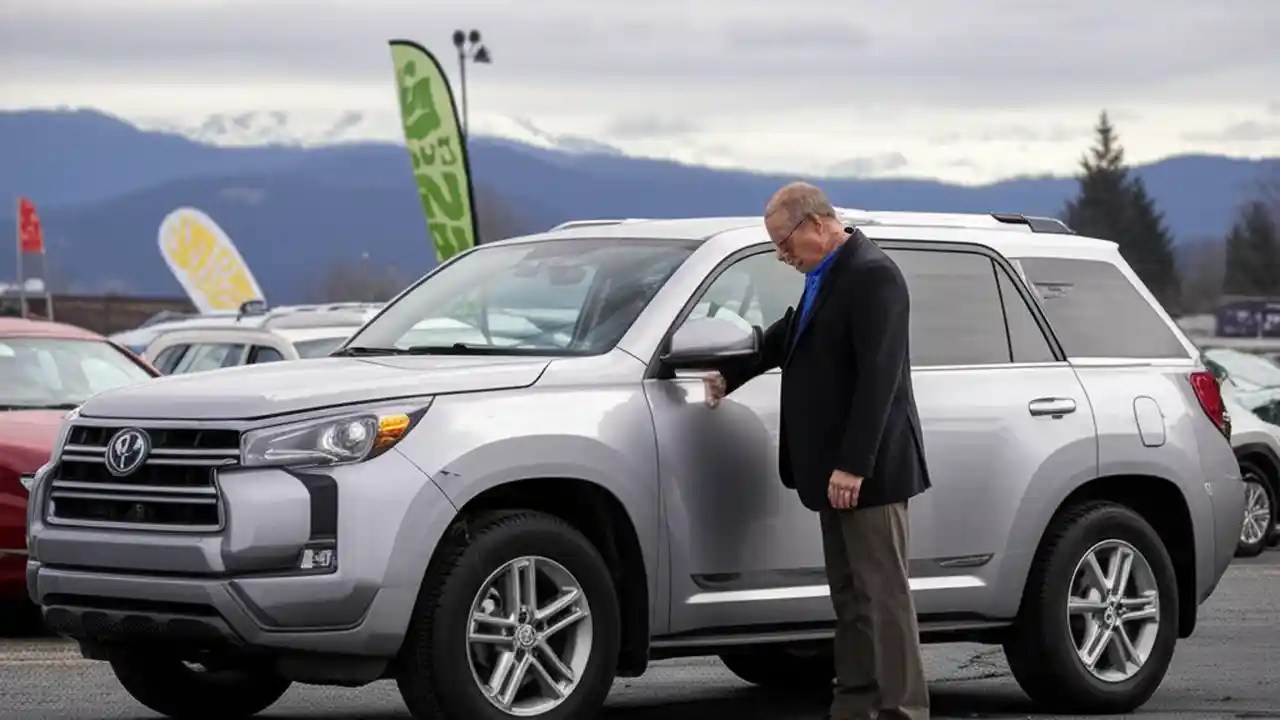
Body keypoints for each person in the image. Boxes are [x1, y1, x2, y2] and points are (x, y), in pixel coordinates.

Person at [703, 182, 932, 720]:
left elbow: (881, 379)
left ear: (816, 224)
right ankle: (854, 705)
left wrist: (854, 466)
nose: (782, 256)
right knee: (850, 599)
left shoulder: (874, 276)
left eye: (784, 244)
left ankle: (904, 710)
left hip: (867, 472)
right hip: (833, 471)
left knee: (885, 599)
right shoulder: (824, 275)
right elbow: (789, 337)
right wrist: (729, 374)